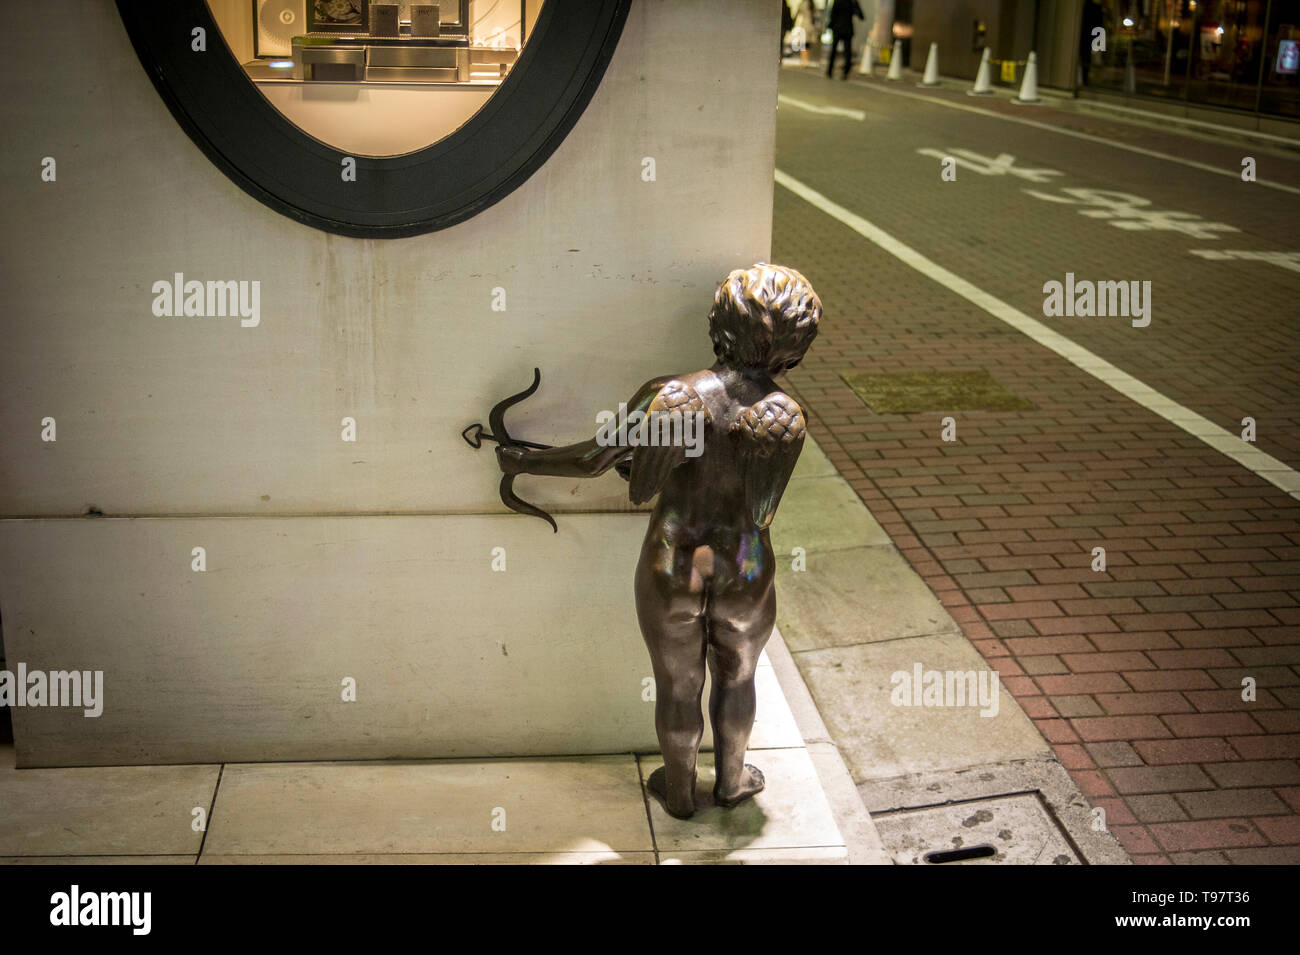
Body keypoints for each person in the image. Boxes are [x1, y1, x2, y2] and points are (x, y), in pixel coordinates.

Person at [496, 264, 821, 819]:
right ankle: (732, 782)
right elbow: (762, 508)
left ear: (718, 327)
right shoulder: (784, 414)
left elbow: (594, 459)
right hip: (745, 565)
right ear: (794, 350)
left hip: (674, 561)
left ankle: (677, 793)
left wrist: (521, 459)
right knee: (739, 675)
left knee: (677, 681)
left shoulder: (672, 396)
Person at [827, 0, 864, 79]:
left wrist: (831, 25)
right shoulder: (852, 2)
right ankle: (846, 72)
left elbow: (833, 14)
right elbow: (861, 15)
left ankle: (830, 70)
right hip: (847, 29)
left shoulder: (838, 1)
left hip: (837, 28)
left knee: (834, 50)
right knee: (847, 51)